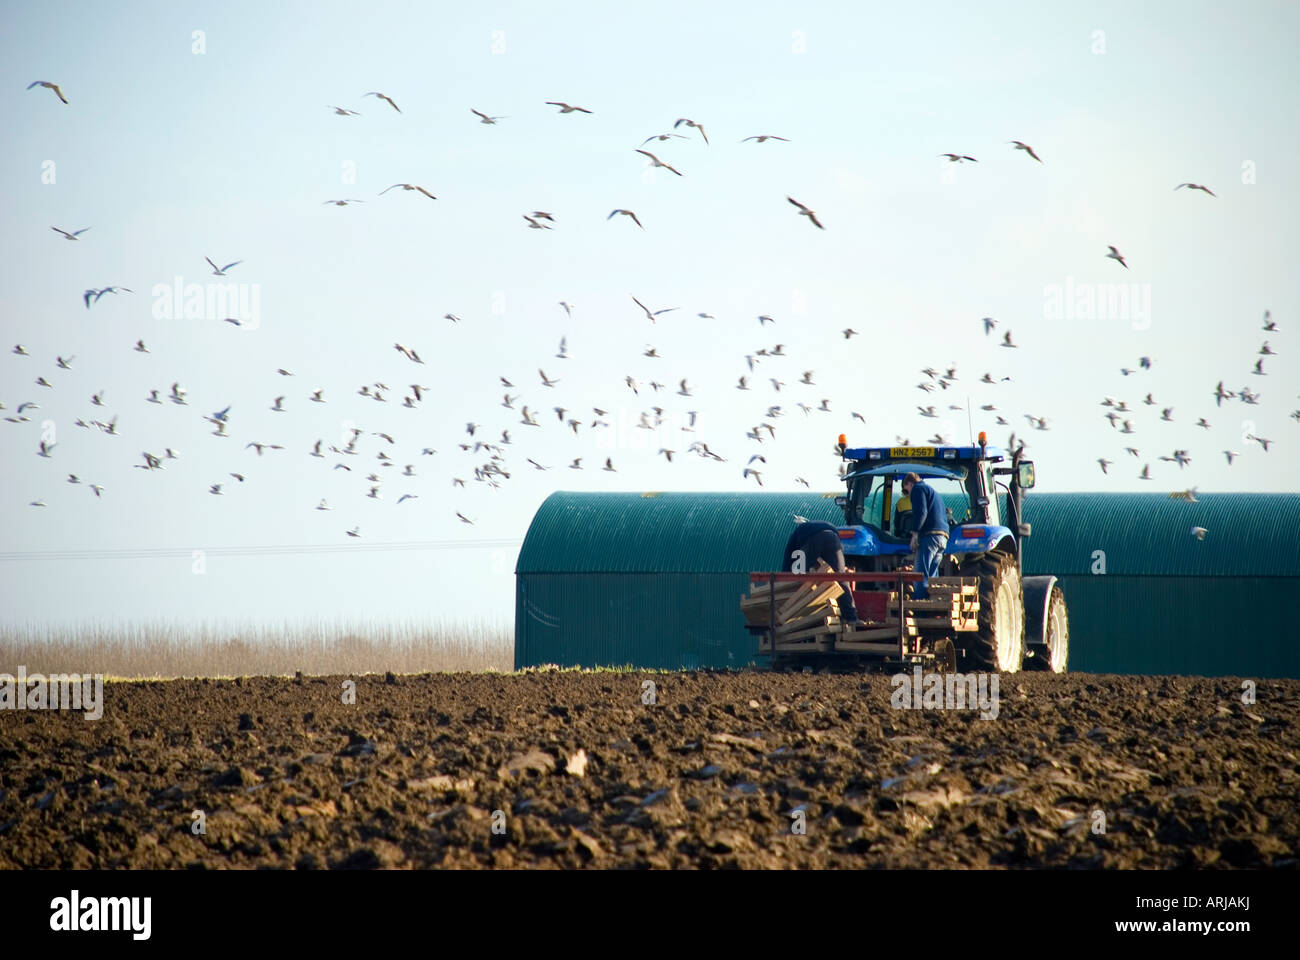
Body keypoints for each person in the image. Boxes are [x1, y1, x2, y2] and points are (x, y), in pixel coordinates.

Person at [781, 520, 860, 622]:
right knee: (841, 578)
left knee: (804, 580)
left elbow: (788, 562)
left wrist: (784, 580)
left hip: (815, 539)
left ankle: (801, 618)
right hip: (833, 538)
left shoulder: (797, 536)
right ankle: (851, 618)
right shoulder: (818, 528)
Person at [900, 472, 949, 600]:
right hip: (942, 538)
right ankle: (933, 606)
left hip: (930, 537)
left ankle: (920, 611)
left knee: (920, 575)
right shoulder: (932, 491)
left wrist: (915, 533)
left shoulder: (917, 489)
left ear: (910, 484)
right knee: (932, 577)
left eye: (907, 490)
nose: (909, 493)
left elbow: (921, 512)